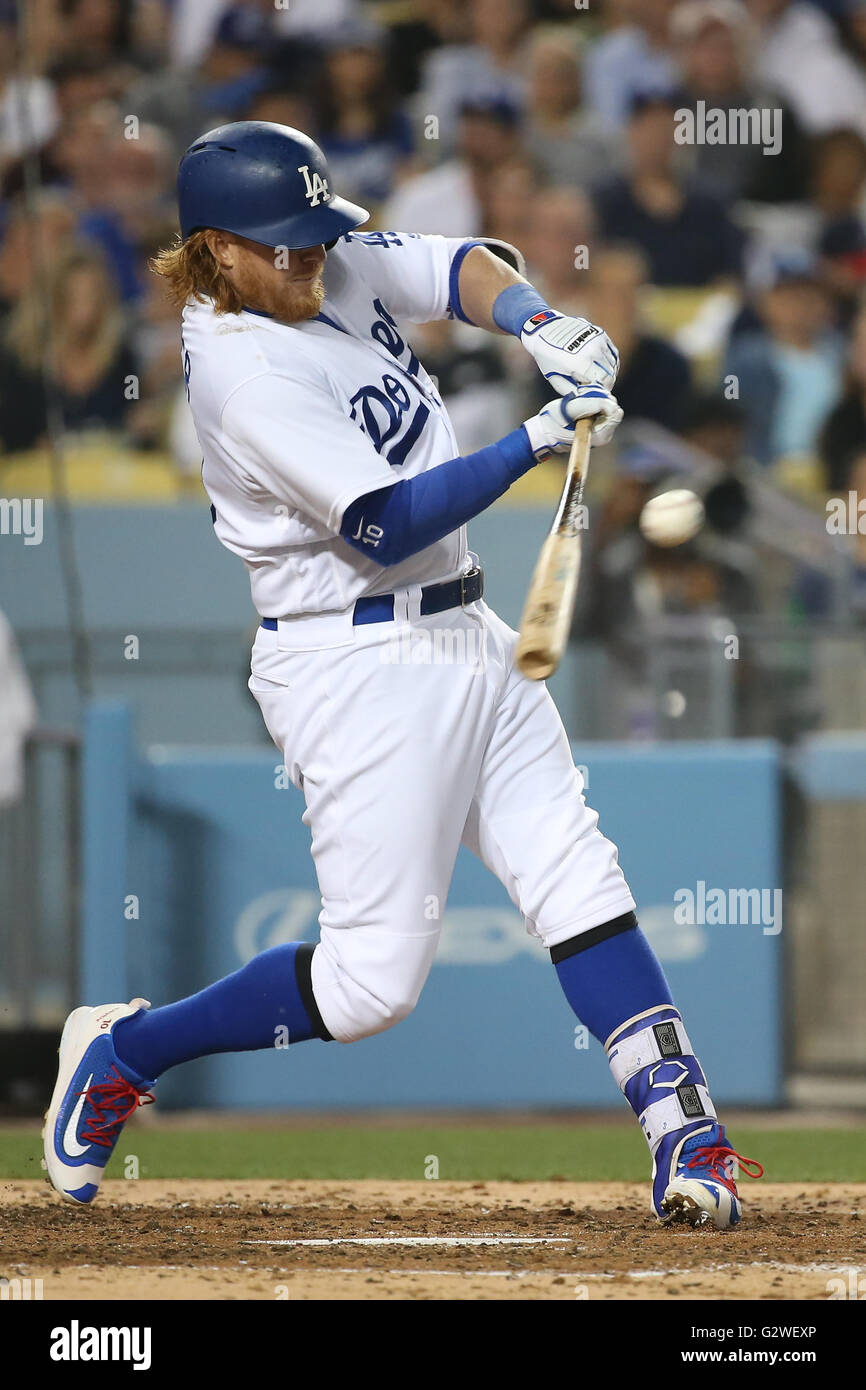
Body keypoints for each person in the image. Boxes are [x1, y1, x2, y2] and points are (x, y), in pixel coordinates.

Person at [43, 121, 761, 1228]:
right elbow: (381, 524)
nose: (307, 262)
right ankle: (125, 1049)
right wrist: (537, 434)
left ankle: (683, 1127)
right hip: (353, 660)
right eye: (279, 248)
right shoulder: (238, 368)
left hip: (469, 628)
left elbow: (457, 264)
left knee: (572, 867)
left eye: (311, 239)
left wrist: (540, 321)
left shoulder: (315, 256)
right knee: (370, 987)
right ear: (215, 250)